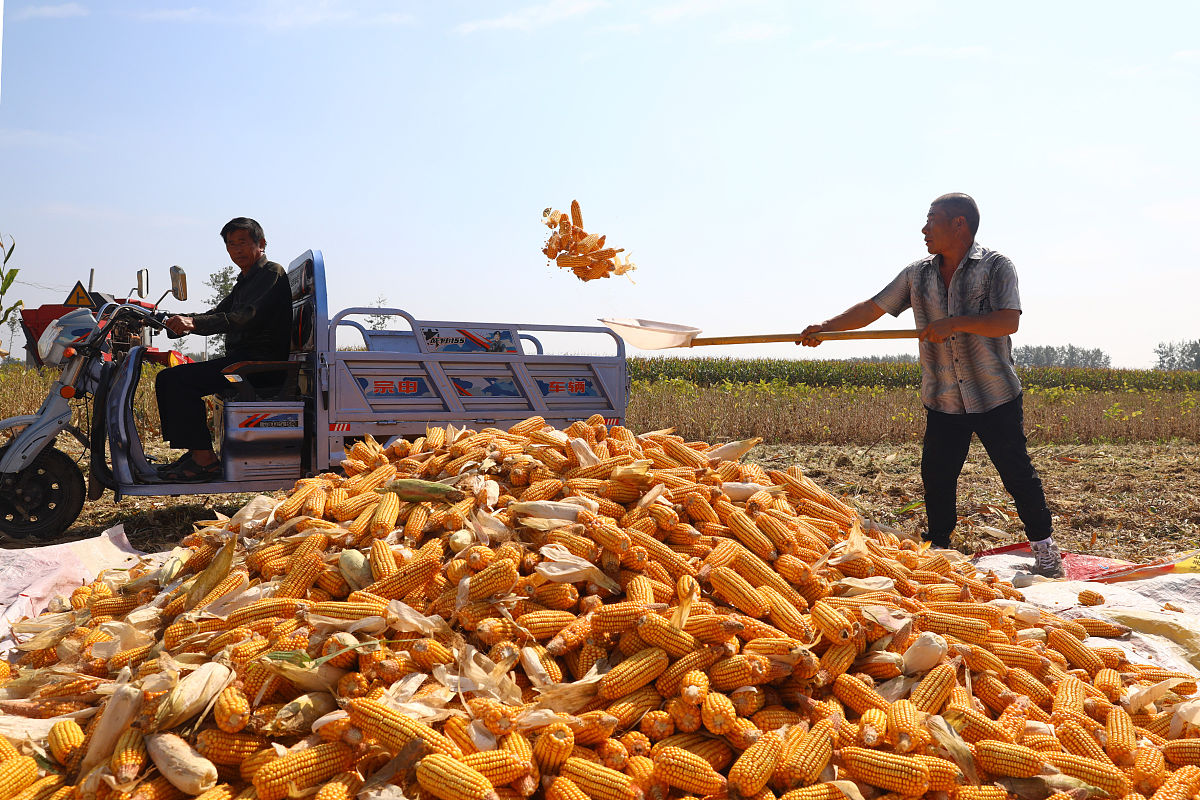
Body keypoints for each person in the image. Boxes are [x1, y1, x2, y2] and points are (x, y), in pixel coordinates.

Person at [799, 193, 1064, 578]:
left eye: (931, 220)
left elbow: (1008, 321)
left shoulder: (995, 267)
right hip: (943, 395)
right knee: (937, 474)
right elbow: (872, 308)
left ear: (959, 224)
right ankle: (940, 546)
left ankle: (1044, 548)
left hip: (994, 393)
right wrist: (826, 328)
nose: (924, 229)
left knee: (1016, 472)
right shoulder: (917, 274)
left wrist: (955, 323)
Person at [155, 217, 292, 481]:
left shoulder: (270, 273)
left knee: (175, 380)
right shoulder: (246, 280)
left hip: (258, 366)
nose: (236, 250)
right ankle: (197, 454)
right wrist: (173, 319)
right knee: (171, 378)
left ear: (261, 243)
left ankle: (205, 461)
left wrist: (193, 323)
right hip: (242, 362)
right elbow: (217, 313)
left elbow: (244, 316)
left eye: (242, 242)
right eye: (230, 245)